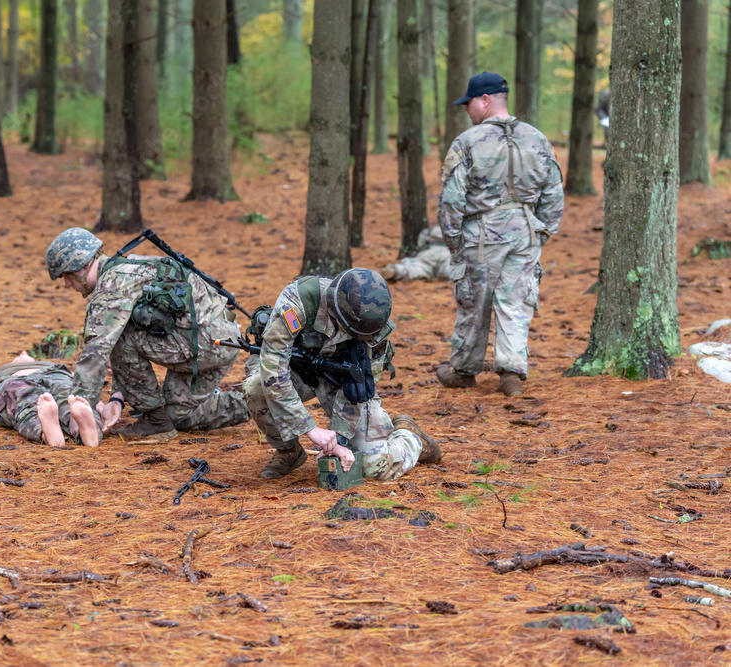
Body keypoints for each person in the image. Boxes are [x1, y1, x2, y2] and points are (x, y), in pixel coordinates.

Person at [45, 228, 250, 441]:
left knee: (116, 335)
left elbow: (96, 353)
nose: (67, 284)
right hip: (222, 342)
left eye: (68, 275)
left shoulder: (111, 286)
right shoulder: (130, 265)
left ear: (84, 265)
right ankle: (259, 400)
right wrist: (117, 398)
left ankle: (154, 421)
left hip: (204, 343)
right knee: (177, 417)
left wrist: (78, 411)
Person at [242, 269, 442, 480]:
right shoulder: (299, 301)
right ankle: (289, 450)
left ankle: (409, 437)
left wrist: (340, 438)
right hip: (298, 372)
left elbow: (361, 385)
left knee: (377, 468)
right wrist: (309, 429)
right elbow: (273, 369)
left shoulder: (375, 324)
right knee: (256, 387)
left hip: (342, 385)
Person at [435, 72, 564, 397]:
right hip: (525, 231)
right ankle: (511, 374)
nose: (467, 111)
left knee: (474, 302)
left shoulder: (467, 142)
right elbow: (554, 193)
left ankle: (464, 370)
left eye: (469, 104)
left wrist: (453, 241)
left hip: (481, 234)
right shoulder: (537, 139)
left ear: (485, 100)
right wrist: (542, 231)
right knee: (516, 301)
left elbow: (451, 199)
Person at [0, 352, 105, 448]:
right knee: (67, 397)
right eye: (19, 355)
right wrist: (98, 406)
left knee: (24, 401)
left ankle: (47, 433)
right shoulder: (6, 372)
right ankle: (86, 431)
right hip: (54, 376)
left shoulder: (3, 374)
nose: (22, 354)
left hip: (31, 378)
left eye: (25, 354)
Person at [380, 226, 452, 282]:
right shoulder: (457, 230)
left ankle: (396, 271)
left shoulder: (430, 231)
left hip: (427, 254)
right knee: (451, 269)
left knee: (415, 267)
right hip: (447, 254)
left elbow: (421, 243)